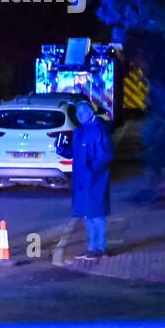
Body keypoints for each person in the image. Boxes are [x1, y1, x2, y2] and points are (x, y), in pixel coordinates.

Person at [71, 100, 112, 258]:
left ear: (90, 113)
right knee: (88, 214)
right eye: (77, 113)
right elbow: (75, 153)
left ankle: (100, 248)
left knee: (97, 215)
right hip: (82, 180)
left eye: (82, 112)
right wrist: (62, 149)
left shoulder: (98, 130)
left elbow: (105, 154)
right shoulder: (80, 131)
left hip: (95, 180)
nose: (79, 116)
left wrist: (92, 170)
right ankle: (92, 247)